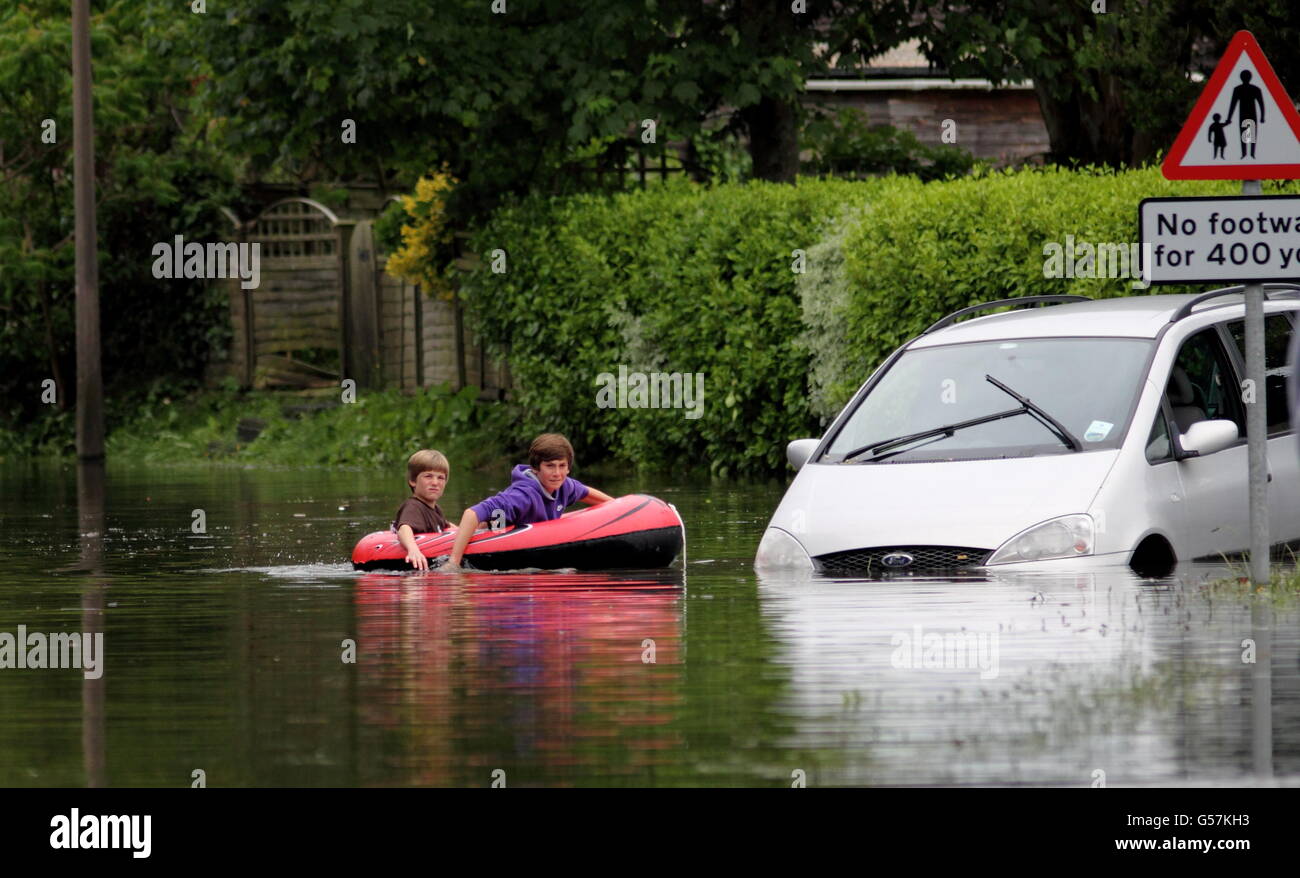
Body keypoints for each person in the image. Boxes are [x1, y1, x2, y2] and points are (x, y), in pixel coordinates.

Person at [442, 433, 612, 570]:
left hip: (524, 536)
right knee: (493, 520)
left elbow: (587, 493)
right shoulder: (522, 495)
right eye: (550, 466)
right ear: (536, 468)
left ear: (568, 468)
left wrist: (623, 506)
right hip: (496, 536)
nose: (557, 473)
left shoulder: (565, 485)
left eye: (562, 466)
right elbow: (471, 513)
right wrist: (454, 562)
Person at [393, 449, 452, 571]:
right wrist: (413, 549)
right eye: (428, 476)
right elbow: (404, 528)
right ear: (413, 481)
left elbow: (448, 527)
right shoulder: (413, 507)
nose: (435, 483)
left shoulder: (435, 509)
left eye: (441, 478)